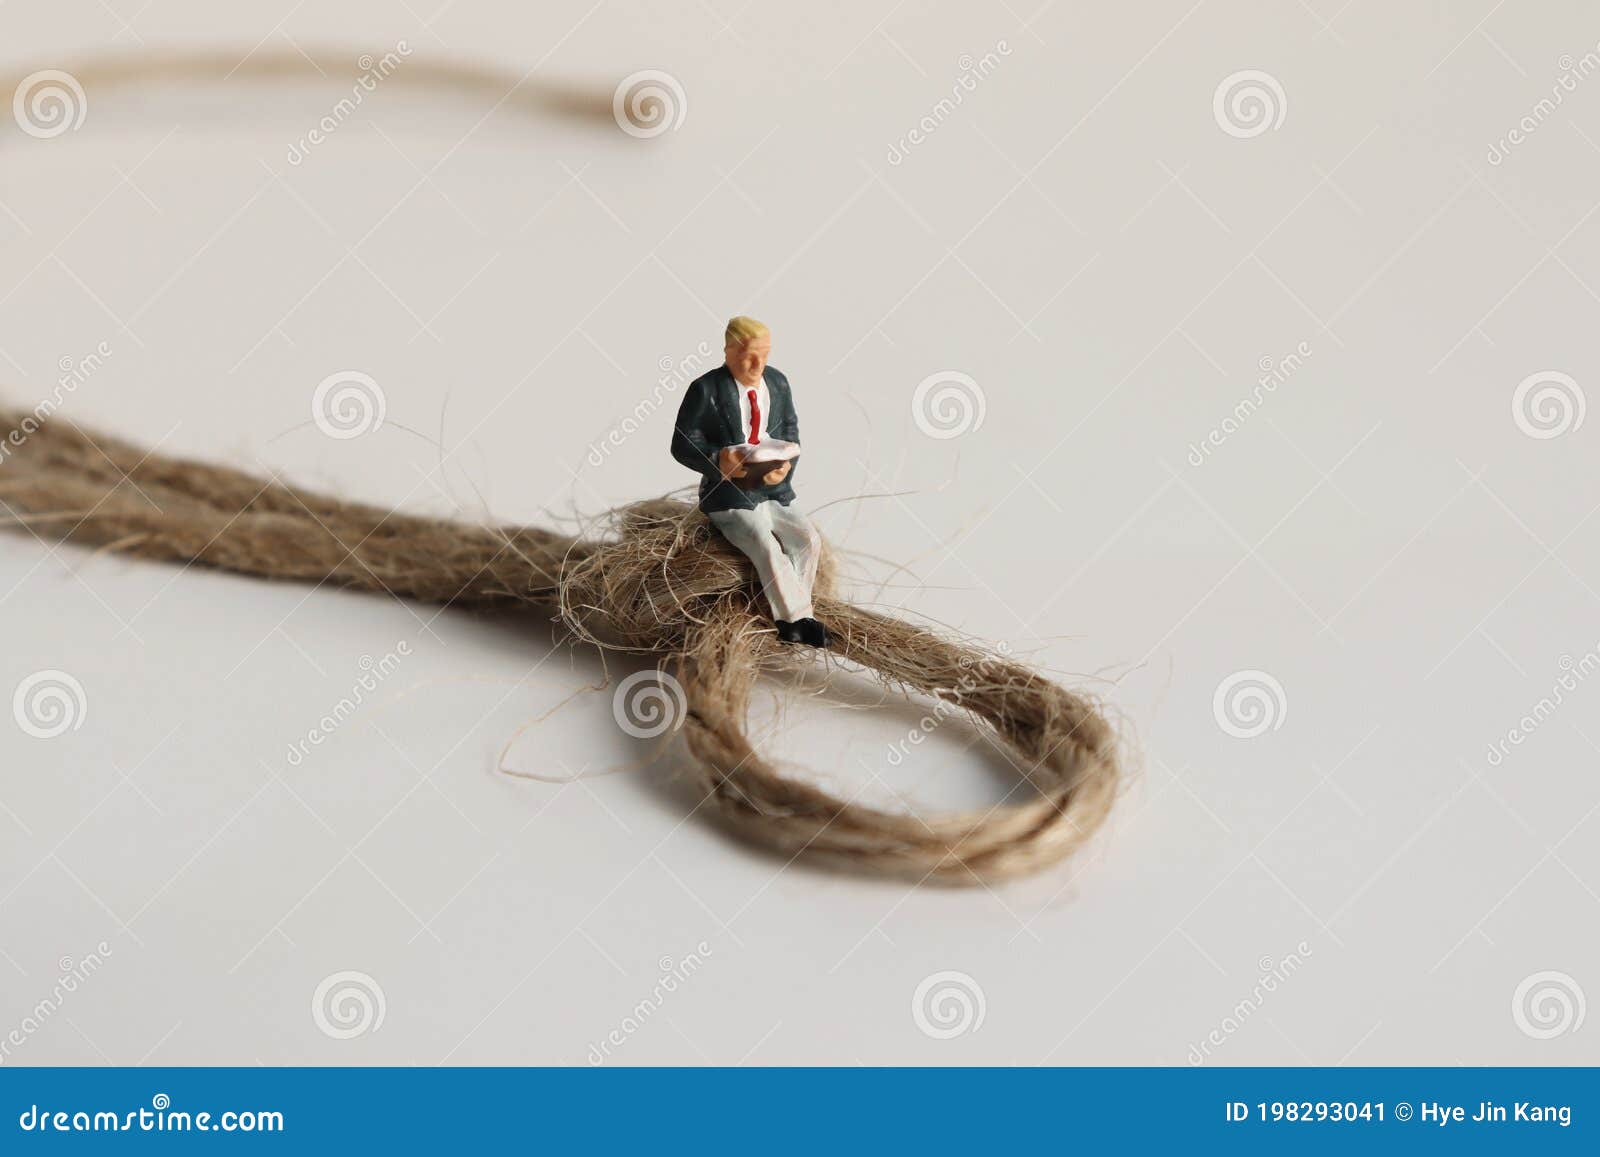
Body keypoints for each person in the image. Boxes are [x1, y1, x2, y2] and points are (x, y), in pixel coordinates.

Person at [670, 317, 829, 647]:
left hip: (773, 488)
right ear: (728, 351)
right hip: (729, 492)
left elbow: (789, 432)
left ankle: (798, 613)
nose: (757, 364)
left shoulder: (778, 383)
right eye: (748, 355)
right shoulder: (706, 389)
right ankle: (793, 622)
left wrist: (784, 468)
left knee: (808, 540)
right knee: (763, 541)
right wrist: (718, 460)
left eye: (765, 354)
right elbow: (682, 443)